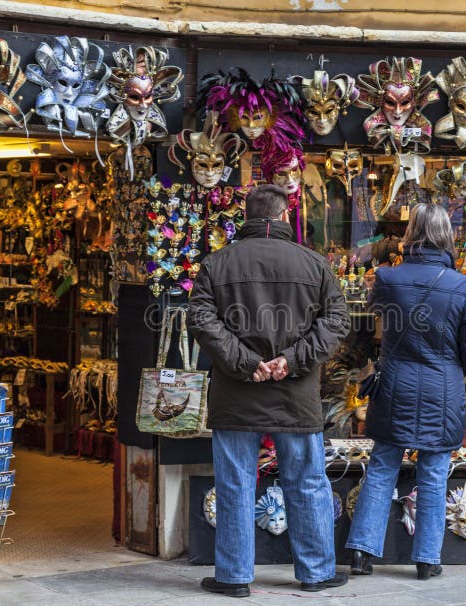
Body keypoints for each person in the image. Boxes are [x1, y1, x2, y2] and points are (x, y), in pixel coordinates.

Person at [188, 184, 351, 598]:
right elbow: (336, 322)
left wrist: (246, 362)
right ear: (284, 216)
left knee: (235, 483)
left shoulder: (217, 265)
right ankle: (315, 572)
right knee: (307, 482)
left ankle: (234, 576)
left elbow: (202, 321)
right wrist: (291, 361)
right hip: (296, 396)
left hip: (237, 394)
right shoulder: (314, 264)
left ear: (247, 216)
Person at [345, 202, 466, 580]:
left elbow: (372, 320)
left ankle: (361, 552)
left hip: (395, 384)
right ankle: (426, 559)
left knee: (382, 468)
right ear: (446, 235)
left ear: (411, 234)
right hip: (443, 386)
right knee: (435, 473)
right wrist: (455, 372)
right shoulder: (461, 285)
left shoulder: (388, 278)